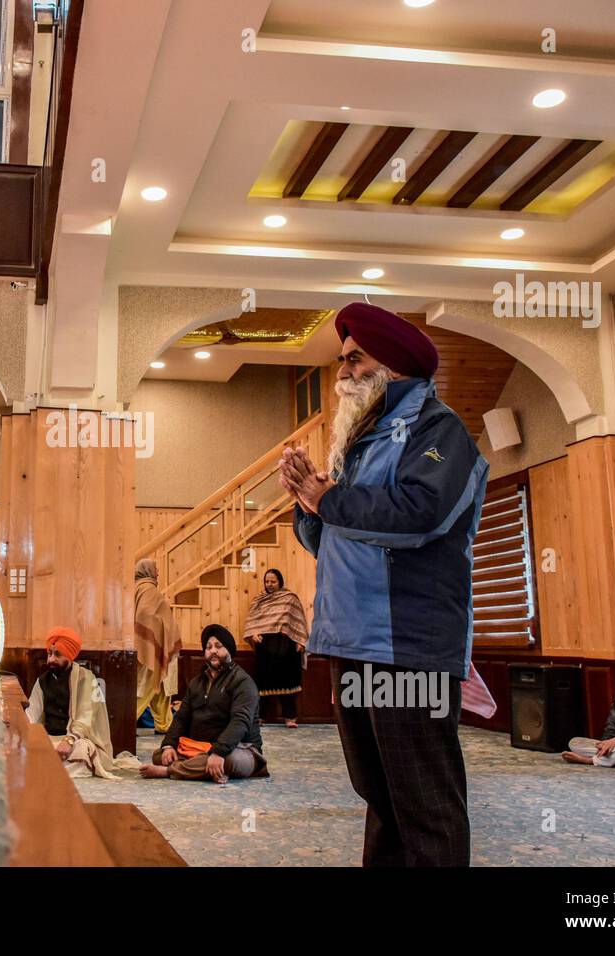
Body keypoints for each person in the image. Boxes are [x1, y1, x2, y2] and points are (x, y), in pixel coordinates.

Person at [281, 301, 486, 866]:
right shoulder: (363, 440)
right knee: (381, 794)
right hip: (351, 640)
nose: (342, 372)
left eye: (354, 359)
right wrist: (308, 502)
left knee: (423, 798)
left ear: (392, 366)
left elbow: (421, 513)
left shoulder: (439, 431)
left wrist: (331, 499)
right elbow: (335, 542)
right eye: (343, 360)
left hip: (407, 646)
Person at [139, 624, 268, 783]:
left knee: (231, 761)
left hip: (240, 749)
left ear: (229, 651)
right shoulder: (196, 683)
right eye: (208, 647)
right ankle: (205, 769)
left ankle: (170, 771)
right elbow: (181, 718)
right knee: (160, 756)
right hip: (199, 748)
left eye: (219, 646)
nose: (213, 650)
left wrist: (218, 752)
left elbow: (240, 721)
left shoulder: (243, 682)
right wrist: (169, 745)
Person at [25, 626, 120, 779]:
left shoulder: (87, 679)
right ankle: (51, 767)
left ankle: (46, 768)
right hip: (50, 739)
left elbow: (86, 719)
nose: (51, 659)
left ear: (70, 656)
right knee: (27, 746)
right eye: (49, 653)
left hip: (76, 740)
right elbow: (31, 715)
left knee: (82, 749)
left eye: (57, 654)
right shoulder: (42, 681)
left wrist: (69, 740)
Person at [243, 568, 308, 727]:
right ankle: (260, 717)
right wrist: (253, 634)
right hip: (265, 647)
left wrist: (300, 641)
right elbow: (252, 622)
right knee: (262, 684)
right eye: (267, 581)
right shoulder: (259, 600)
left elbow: (298, 621)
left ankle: (290, 718)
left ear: (280, 582)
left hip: (286, 647)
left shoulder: (290, 598)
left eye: (273, 581)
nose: (269, 584)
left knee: (288, 683)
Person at [133, 558, 179, 734]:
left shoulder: (138, 587)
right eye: (156, 569)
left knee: (160, 690)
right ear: (147, 570)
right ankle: (124, 722)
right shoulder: (148, 589)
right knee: (146, 689)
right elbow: (146, 614)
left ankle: (165, 724)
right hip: (154, 649)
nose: (158, 572)